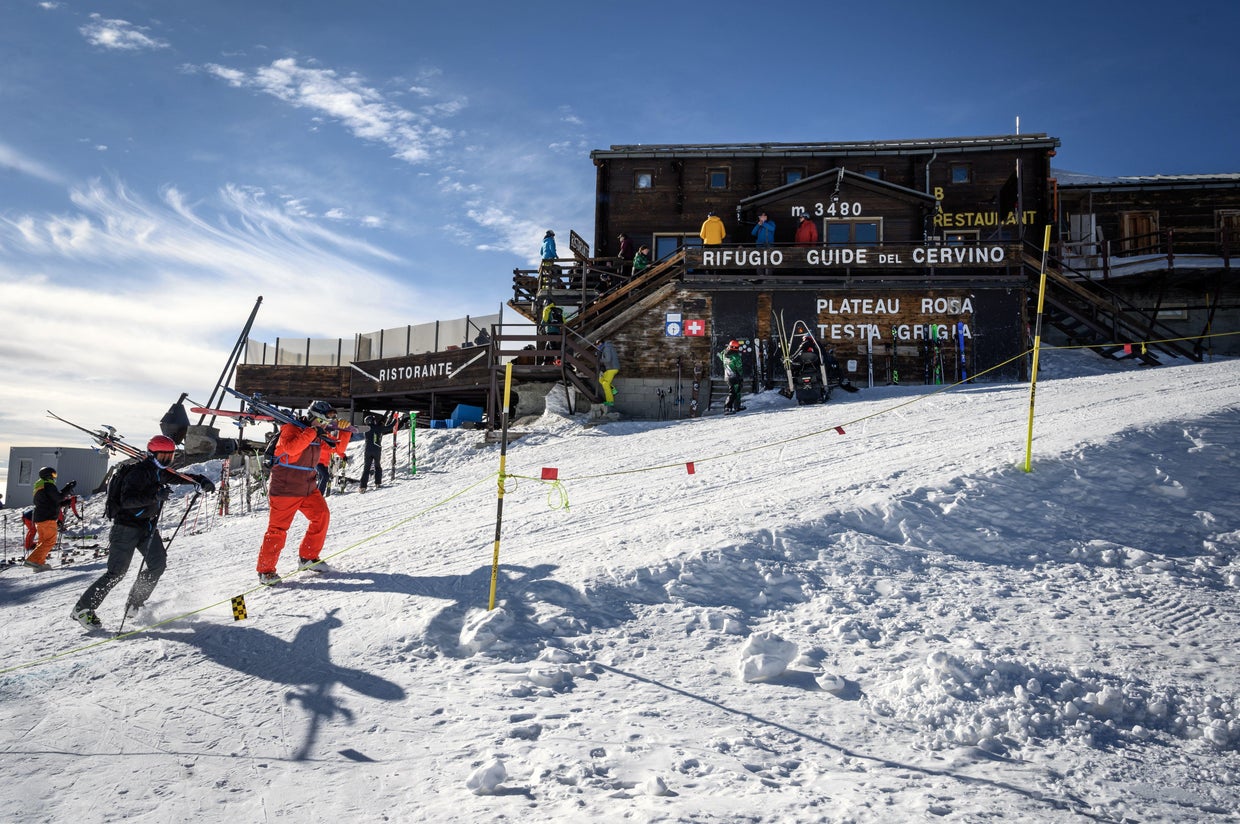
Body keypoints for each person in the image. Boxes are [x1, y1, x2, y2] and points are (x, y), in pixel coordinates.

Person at [71, 436, 214, 630]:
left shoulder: (157, 471)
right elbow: (126, 501)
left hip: (147, 527)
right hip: (126, 528)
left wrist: (200, 480)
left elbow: (177, 477)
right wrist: (154, 496)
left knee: (157, 564)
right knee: (116, 572)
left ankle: (134, 603)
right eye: (163, 456)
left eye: (169, 456)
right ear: (152, 454)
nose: (166, 460)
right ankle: (83, 608)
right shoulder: (139, 473)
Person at [255, 401, 338, 585]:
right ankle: (266, 571)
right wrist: (312, 432)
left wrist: (344, 431)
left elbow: (336, 449)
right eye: (322, 421)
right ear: (314, 418)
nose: (325, 425)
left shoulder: (315, 433)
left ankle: (307, 558)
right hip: (286, 489)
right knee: (278, 530)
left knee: (321, 515)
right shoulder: (291, 428)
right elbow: (291, 449)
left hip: (307, 487)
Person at [24, 467, 76, 571]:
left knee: (43, 541)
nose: (54, 477)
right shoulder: (48, 484)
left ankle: (39, 563)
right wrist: (68, 488)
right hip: (47, 518)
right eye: (53, 475)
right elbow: (58, 497)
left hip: (41, 517)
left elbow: (52, 501)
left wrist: (66, 502)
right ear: (48, 475)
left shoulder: (40, 486)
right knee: (50, 541)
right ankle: (33, 560)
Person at [314, 406, 351, 497]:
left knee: (323, 477)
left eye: (326, 422)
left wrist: (343, 455)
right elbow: (330, 447)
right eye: (322, 421)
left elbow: (338, 446)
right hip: (316, 461)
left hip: (324, 463)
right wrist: (332, 447)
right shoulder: (315, 434)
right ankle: (319, 495)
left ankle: (317, 494)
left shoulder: (327, 435)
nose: (324, 424)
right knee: (325, 476)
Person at [359, 413, 393, 493]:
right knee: (377, 466)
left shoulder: (366, 429)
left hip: (367, 450)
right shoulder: (378, 428)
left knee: (366, 468)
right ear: (372, 421)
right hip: (376, 449)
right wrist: (395, 421)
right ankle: (378, 483)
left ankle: (362, 487)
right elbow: (389, 427)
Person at [718, 340, 746, 414]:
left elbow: (720, 355)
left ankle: (737, 406)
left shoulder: (724, 354)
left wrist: (727, 349)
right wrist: (740, 376)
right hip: (735, 376)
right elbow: (739, 367)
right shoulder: (736, 356)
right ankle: (727, 408)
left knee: (737, 391)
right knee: (733, 392)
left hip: (727, 376)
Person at [597, 339, 620, 407]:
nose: (597, 346)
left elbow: (608, 359)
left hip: (612, 368)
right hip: (610, 368)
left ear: (601, 343)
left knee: (605, 384)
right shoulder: (607, 347)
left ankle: (610, 401)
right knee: (601, 379)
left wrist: (599, 360)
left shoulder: (607, 348)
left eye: (598, 344)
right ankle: (613, 389)